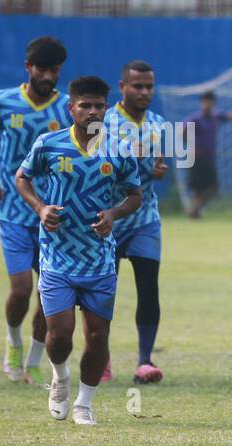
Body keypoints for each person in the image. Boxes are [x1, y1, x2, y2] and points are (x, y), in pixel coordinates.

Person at [14, 76, 142, 425]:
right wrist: (41, 208)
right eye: (85, 105)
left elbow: (135, 194)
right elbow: (22, 178)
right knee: (60, 333)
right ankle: (60, 377)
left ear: (106, 108)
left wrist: (114, 214)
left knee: (99, 335)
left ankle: (85, 402)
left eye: (99, 105)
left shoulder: (118, 148)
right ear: (71, 108)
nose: (92, 111)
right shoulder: (49, 144)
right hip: (57, 255)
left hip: (99, 257)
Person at [0, 35, 71, 386]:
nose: (49, 76)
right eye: (43, 69)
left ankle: (34, 361)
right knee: (21, 289)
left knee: (50, 293)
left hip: (52, 212)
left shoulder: (66, 109)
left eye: (56, 70)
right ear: (28, 67)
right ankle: (13, 342)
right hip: (11, 209)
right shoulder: (2, 101)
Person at [105, 60, 169, 384]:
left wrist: (158, 171)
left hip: (145, 218)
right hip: (109, 220)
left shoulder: (159, 124)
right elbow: (95, 169)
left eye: (149, 86)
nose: (144, 92)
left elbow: (158, 166)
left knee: (148, 288)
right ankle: (100, 357)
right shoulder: (103, 122)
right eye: (137, 86)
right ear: (122, 87)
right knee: (103, 292)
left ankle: (145, 361)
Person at [183, 90, 232, 219]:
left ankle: (193, 209)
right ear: (202, 103)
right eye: (205, 101)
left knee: (213, 188)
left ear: (213, 103)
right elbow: (182, 131)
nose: (208, 104)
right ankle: (195, 213)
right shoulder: (195, 118)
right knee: (198, 188)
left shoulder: (216, 116)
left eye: (210, 102)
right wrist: (191, 145)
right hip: (196, 158)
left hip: (209, 157)